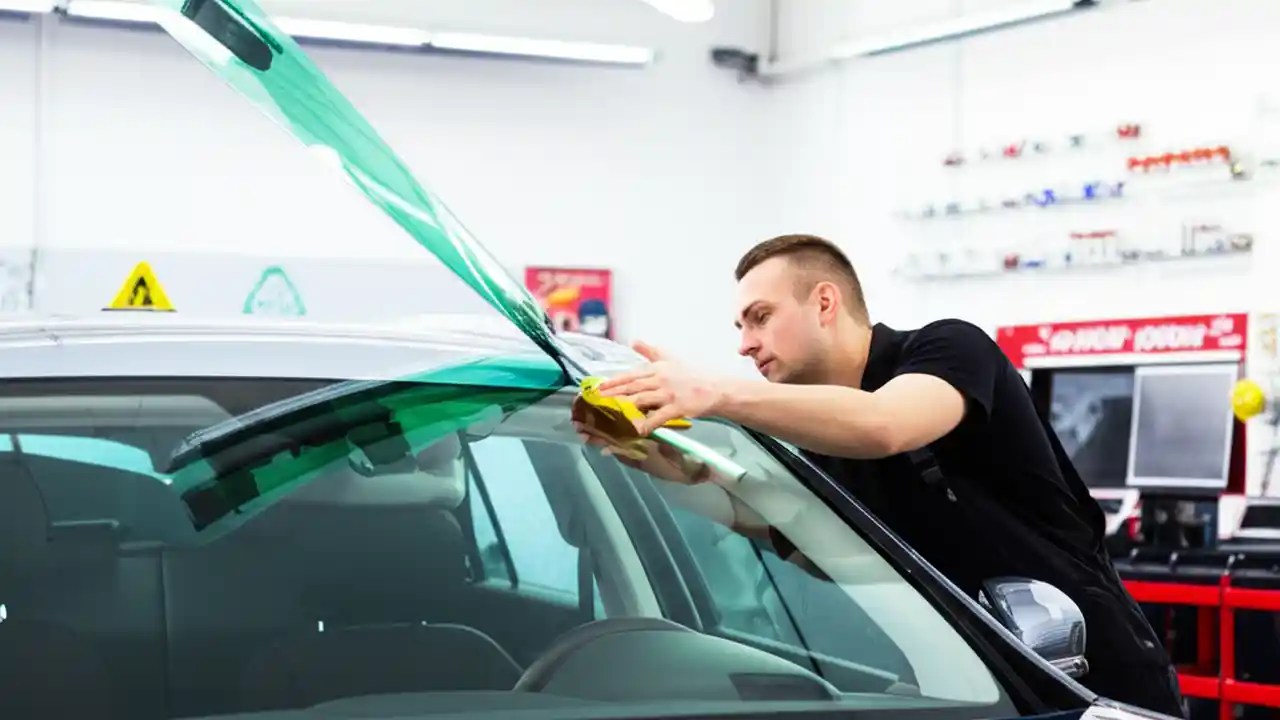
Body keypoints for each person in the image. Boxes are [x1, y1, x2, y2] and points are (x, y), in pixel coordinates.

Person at [594, 233, 1186, 718]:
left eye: (760, 318)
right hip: (971, 691)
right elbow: (807, 539)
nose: (746, 345)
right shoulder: (820, 428)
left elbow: (885, 424)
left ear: (824, 302)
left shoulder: (950, 349)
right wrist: (687, 475)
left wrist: (714, 392)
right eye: (741, 328)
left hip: (1090, 683)